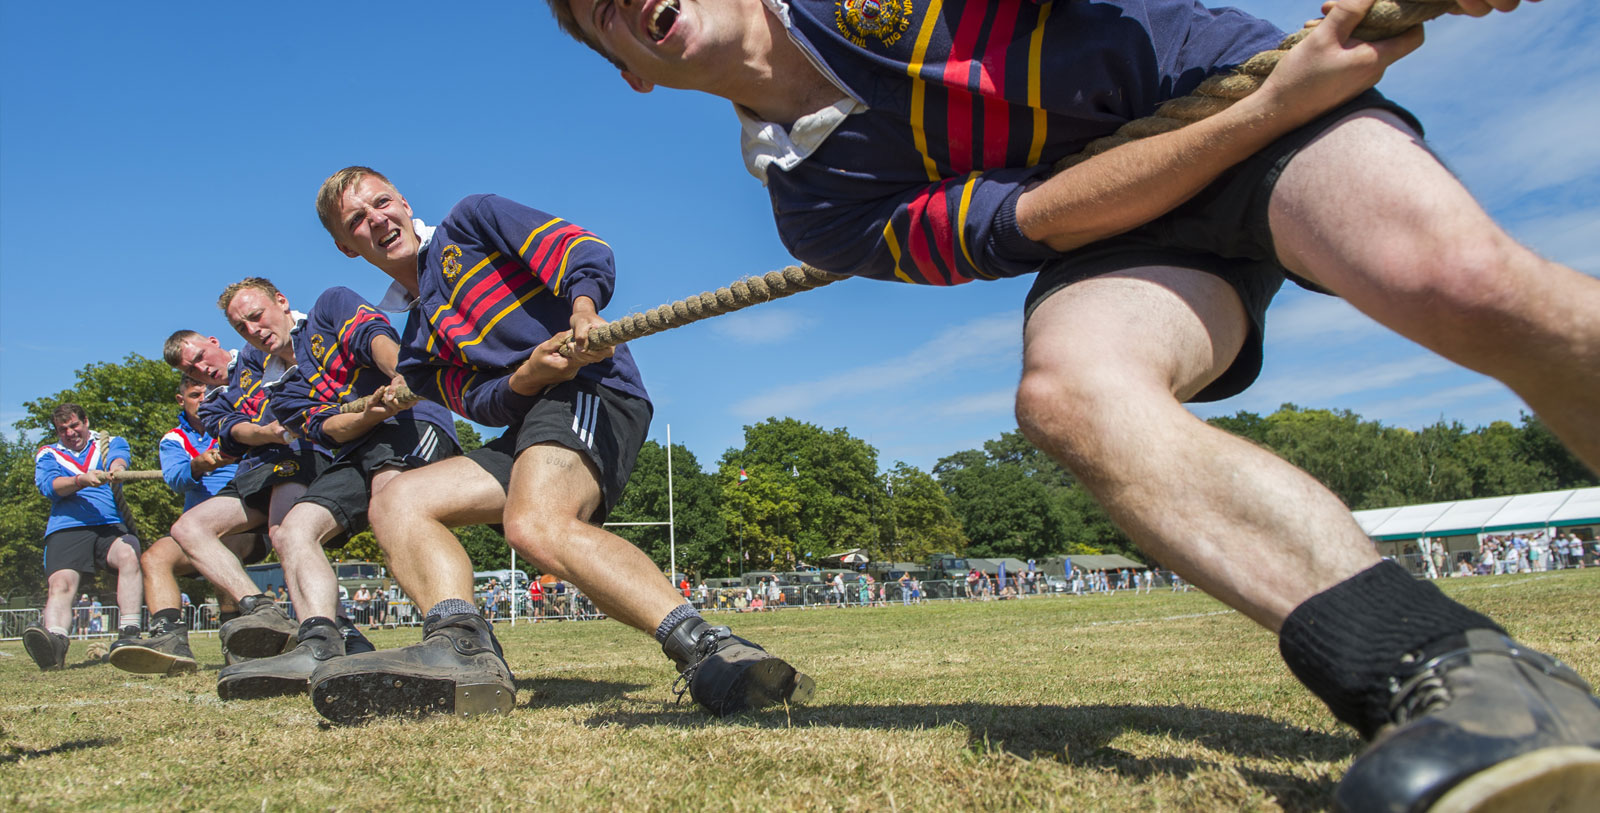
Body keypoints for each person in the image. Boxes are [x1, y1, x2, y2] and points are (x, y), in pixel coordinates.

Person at [547, 0, 1600, 804]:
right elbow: (1042, 219)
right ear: (629, 73)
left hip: (1237, 90)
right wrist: (1274, 109)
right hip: (1125, 223)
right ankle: (1455, 669)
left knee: (1449, 278)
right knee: (1068, 397)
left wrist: (1275, 104)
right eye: (596, 8)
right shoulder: (817, 211)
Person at [305, 167, 811, 723]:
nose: (376, 219)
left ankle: (713, 648)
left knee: (533, 523)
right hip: (531, 418)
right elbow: (484, 404)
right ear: (344, 245)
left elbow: (578, 248)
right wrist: (527, 376)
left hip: (593, 388)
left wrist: (583, 311)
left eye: (381, 202)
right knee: (396, 501)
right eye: (357, 219)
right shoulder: (417, 350)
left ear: (402, 200)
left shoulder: (470, 221)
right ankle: (462, 650)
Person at [210, 281, 459, 700]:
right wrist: (370, 413)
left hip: (413, 422)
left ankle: (456, 636)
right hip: (361, 443)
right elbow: (328, 428)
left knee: (390, 499)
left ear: (282, 302)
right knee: (292, 531)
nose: (253, 329)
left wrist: (401, 375)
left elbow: (375, 337)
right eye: (242, 327)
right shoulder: (278, 390)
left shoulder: (330, 305)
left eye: (256, 315)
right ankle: (322, 644)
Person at [164, 326, 324, 666]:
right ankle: (261, 608)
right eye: (190, 370)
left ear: (213, 342)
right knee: (186, 529)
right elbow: (236, 430)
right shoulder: (209, 405)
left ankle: (324, 633)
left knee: (283, 535)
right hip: (255, 470)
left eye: (199, 357)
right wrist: (265, 432)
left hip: (298, 456)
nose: (201, 369)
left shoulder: (256, 355)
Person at [110, 374, 267, 675]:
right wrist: (198, 465)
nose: (204, 400)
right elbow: (175, 479)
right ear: (181, 400)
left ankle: (239, 638)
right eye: (196, 395)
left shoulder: (240, 423)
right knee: (152, 557)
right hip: (196, 527)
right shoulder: (174, 440)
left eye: (209, 393)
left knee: (223, 543)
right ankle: (170, 640)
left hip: (248, 521)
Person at [23, 403, 145, 670]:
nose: (70, 432)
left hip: (109, 524)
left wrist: (116, 469)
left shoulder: (107, 442)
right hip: (67, 527)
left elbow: (119, 457)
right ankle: (54, 643)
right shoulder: (49, 453)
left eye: (74, 425)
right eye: (63, 429)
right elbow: (50, 487)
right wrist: (80, 480)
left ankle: (130, 633)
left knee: (128, 553)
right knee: (61, 584)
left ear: (86, 422)